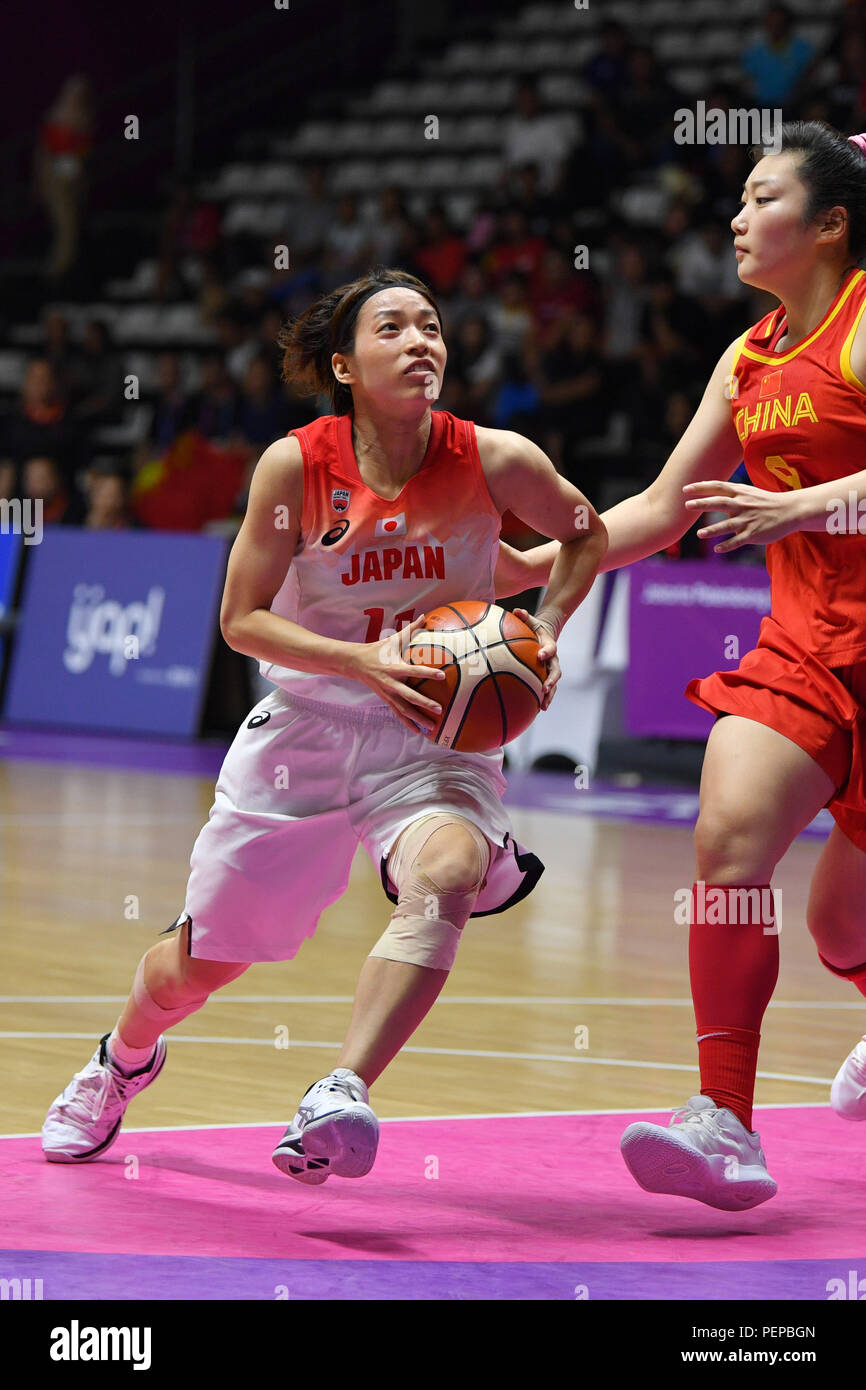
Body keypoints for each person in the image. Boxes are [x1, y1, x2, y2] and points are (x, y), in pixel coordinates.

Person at [41, 267, 606, 1183]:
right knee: (198, 966)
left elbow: (584, 532)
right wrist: (358, 661)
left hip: (429, 736)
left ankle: (342, 1087)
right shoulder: (295, 465)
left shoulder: (497, 457)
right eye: (394, 328)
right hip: (308, 723)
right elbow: (241, 617)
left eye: (432, 323)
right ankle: (122, 1060)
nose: (422, 339)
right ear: (344, 364)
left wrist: (544, 627)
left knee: (449, 872)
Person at [517, 122, 866, 1211]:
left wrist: (807, 501)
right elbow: (667, 505)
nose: (732, 216)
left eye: (759, 197)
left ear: (827, 225)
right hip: (805, 648)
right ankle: (723, 1120)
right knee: (725, 841)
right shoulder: (749, 356)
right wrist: (552, 549)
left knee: (841, 927)